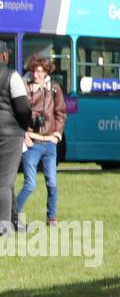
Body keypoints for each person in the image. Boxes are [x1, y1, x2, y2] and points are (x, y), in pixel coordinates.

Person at [17, 54, 65, 226]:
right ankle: (12, 214)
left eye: (40, 71)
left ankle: (52, 217)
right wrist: (23, 133)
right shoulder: (24, 87)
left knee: (52, 183)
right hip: (32, 143)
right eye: (34, 71)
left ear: (46, 72)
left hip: (50, 144)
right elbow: (18, 113)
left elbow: (60, 112)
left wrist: (57, 134)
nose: (36, 75)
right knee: (30, 184)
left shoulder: (54, 88)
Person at [0, 43, 33, 236]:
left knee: (7, 178)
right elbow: (22, 108)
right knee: (4, 181)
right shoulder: (12, 76)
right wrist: (25, 125)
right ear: (3, 56)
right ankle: (4, 228)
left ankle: (15, 223)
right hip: (9, 134)